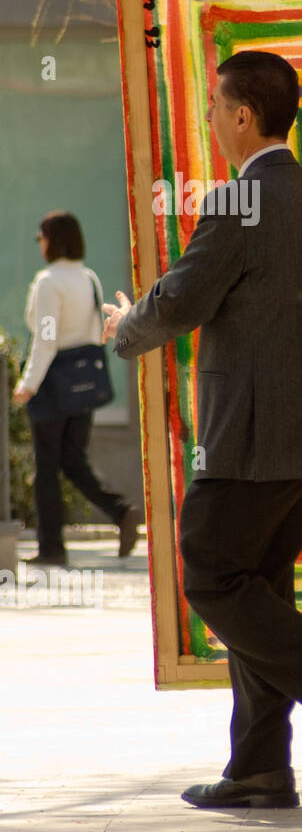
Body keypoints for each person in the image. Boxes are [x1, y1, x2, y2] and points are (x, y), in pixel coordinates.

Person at [102, 50, 302, 809]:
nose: (209, 119)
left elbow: (179, 301)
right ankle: (260, 769)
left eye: (214, 107)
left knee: (208, 568)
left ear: (243, 116)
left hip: (253, 434)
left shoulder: (242, 202)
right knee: (258, 588)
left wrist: (122, 327)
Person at [12, 211, 139, 566]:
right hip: (84, 384)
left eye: (41, 237)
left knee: (48, 467)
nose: (39, 244)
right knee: (72, 460)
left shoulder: (50, 281)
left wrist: (28, 384)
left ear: (53, 240)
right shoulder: (89, 278)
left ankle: (52, 547)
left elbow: (46, 338)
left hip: (53, 384)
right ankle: (120, 511)